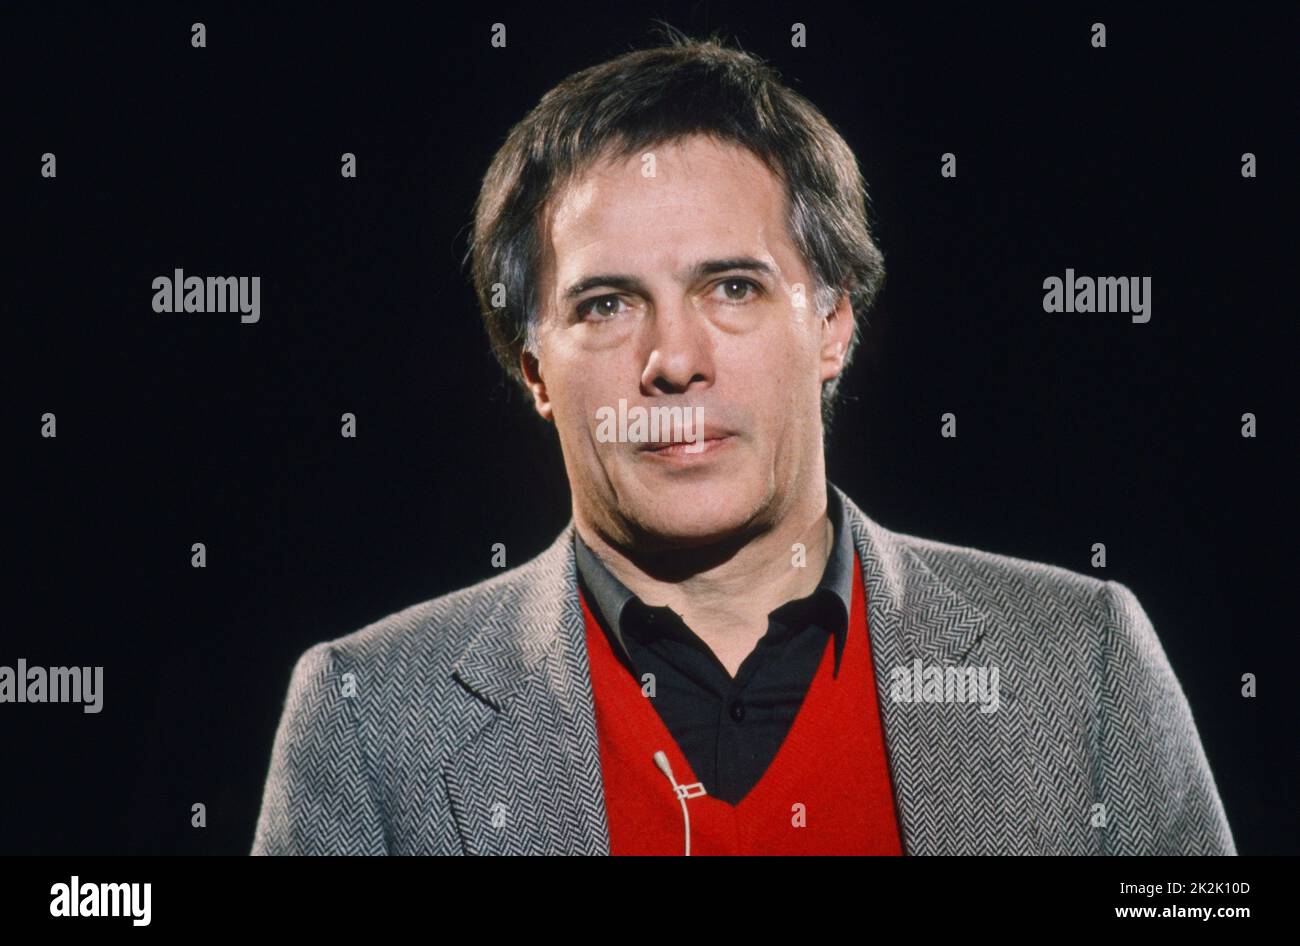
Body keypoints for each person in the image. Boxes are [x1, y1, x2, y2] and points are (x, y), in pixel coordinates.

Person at [251, 33, 1235, 855]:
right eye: (605, 302)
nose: (673, 359)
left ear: (832, 325)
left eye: (732, 287)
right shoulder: (368, 720)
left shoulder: (1082, 662)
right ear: (534, 369)